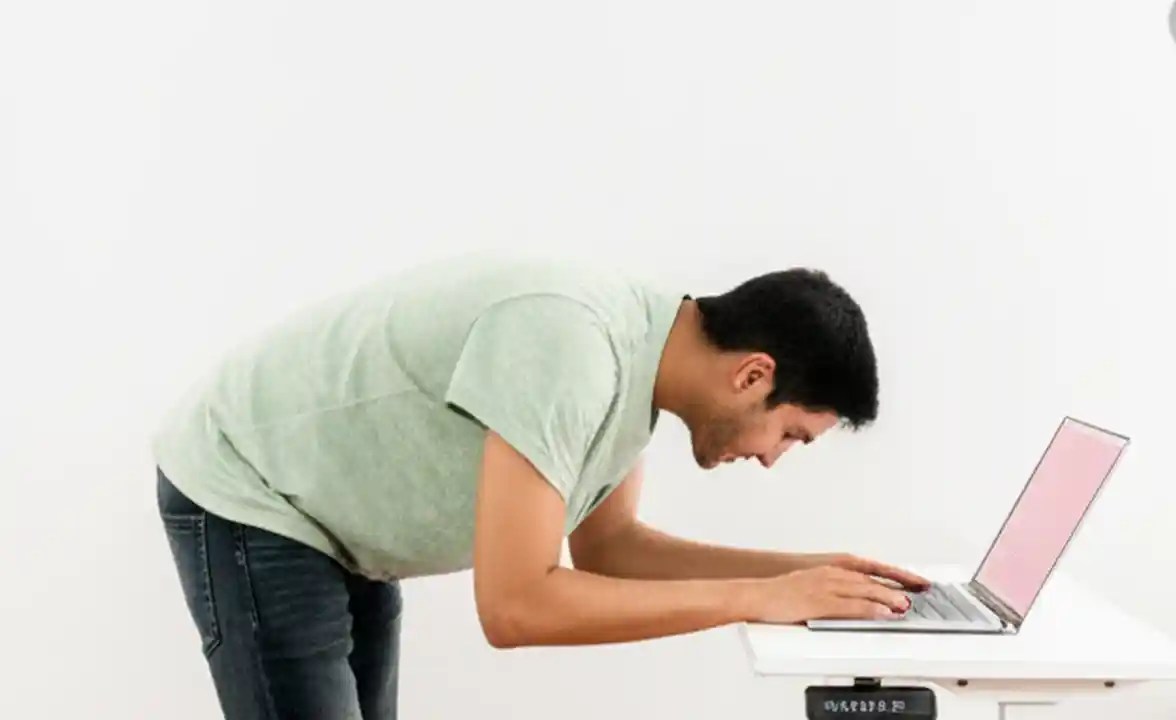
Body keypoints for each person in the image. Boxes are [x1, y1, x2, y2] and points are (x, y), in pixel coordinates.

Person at [152, 253, 928, 719]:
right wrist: (761, 600)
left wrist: (805, 577)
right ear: (752, 373)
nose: (772, 459)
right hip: (253, 492)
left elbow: (611, 549)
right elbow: (516, 606)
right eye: (789, 433)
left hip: (341, 526)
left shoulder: (641, 358)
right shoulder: (576, 351)